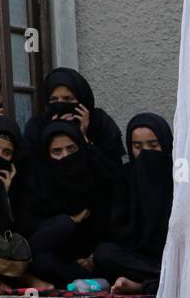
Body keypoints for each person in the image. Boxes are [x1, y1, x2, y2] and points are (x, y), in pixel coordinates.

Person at [18, 122, 118, 289]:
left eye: (71, 149)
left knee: (108, 256)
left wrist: (91, 257)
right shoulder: (37, 186)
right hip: (57, 259)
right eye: (56, 151)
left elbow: (112, 227)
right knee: (45, 256)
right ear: (46, 154)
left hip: (92, 258)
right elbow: (29, 237)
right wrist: (69, 221)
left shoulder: (97, 180)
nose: (65, 156)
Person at [94, 113, 172, 294]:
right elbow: (117, 227)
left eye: (153, 145)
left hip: (169, 255)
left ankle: (145, 284)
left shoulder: (177, 175)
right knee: (104, 254)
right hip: (136, 259)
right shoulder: (124, 176)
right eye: (137, 146)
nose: (145, 152)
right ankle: (160, 279)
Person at [23, 67, 126, 165]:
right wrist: (51, 133)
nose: (60, 104)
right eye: (54, 100)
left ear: (81, 98)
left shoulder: (99, 123)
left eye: (67, 99)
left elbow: (113, 170)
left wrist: (84, 138)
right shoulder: (38, 125)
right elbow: (31, 168)